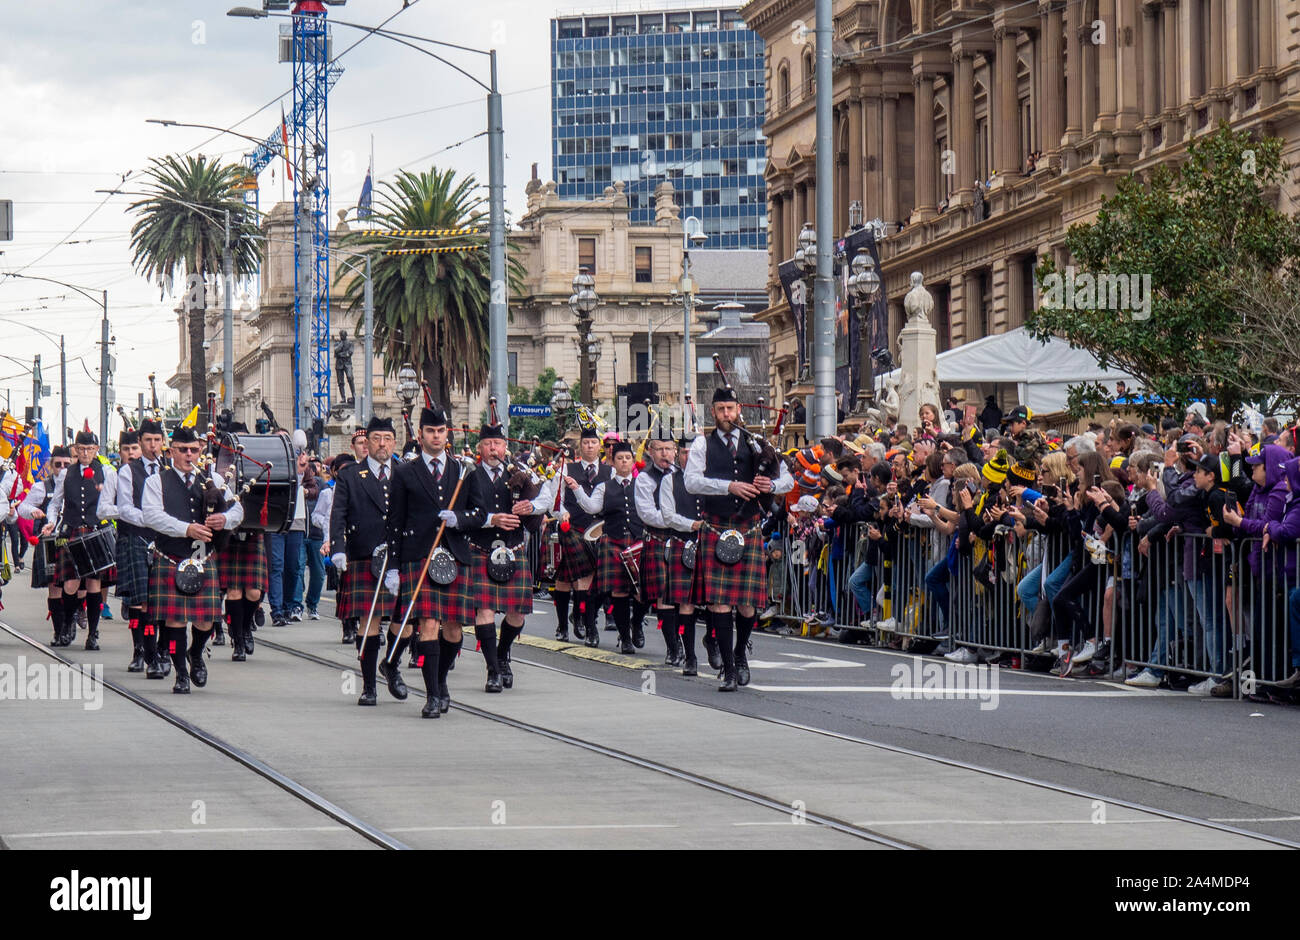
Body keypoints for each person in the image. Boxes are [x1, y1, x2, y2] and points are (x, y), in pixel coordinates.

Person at [684, 386, 794, 691]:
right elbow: (691, 482)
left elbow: (788, 478)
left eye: (730, 409)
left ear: (738, 410)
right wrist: (728, 487)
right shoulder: (701, 446)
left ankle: (739, 654)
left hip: (748, 528)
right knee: (719, 602)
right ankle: (730, 671)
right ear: (713, 412)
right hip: (716, 527)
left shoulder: (757, 444)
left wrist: (770, 485)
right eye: (720, 410)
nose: (726, 415)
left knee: (748, 605)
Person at [140, 425, 243, 694]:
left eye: (194, 450)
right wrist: (185, 528)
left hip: (202, 558)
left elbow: (238, 510)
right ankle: (181, 673)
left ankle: (195, 653)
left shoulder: (214, 482)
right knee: (174, 622)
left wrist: (225, 519)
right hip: (170, 556)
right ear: (171, 451)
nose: (189, 454)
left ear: (200, 451)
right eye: (183, 450)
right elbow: (151, 515)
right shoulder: (157, 482)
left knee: (206, 620)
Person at [387, 406, 471, 718]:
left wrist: (458, 519)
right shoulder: (405, 472)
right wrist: (393, 566)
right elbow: (394, 522)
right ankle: (433, 695)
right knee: (428, 625)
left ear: (447, 434)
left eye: (440, 431)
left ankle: (441, 678)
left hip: (452, 556)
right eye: (430, 431)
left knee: (453, 630)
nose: (436, 436)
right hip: (418, 556)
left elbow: (475, 513)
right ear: (420, 435)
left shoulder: (462, 470)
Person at [452, 424, 541, 691]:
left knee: (517, 614)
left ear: (506, 448)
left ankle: (502, 655)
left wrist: (531, 501)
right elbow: (459, 516)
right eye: (488, 444)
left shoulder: (520, 476)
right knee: (485, 611)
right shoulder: (469, 476)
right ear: (480, 448)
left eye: (498, 444)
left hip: (513, 552)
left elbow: (534, 524)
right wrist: (491, 520)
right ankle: (492, 670)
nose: (493, 449)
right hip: (481, 551)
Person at [331, 416, 403, 706]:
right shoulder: (350, 475)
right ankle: (369, 687)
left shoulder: (406, 472)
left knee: (407, 621)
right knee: (368, 620)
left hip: (400, 557)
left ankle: (392, 664)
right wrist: (338, 547)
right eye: (376, 439)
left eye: (386, 438)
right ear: (367, 442)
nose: (382, 444)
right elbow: (338, 514)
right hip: (364, 555)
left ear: (394, 442)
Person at [566, 440, 644, 654]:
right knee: (618, 592)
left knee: (643, 593)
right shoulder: (604, 486)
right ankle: (626, 639)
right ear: (613, 461)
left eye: (628, 457)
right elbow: (592, 507)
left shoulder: (643, 484)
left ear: (632, 460)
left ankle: (636, 624)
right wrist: (577, 490)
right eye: (620, 458)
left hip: (638, 542)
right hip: (614, 541)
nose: (624, 461)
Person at [44, 428, 117, 652]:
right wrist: (51, 522)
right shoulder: (66, 474)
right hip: (72, 531)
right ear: (75, 449)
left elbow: (116, 502)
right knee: (70, 584)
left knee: (94, 584)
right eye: (81, 449)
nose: (85, 453)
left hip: (95, 532)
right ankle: (67, 624)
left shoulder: (107, 472)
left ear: (96, 450)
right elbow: (56, 504)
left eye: (90, 449)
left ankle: (93, 634)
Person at [113, 421, 170, 674]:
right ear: (141, 440)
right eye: (148, 440)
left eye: (157, 440)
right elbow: (124, 508)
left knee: (167, 600)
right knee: (142, 602)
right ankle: (142, 651)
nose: (153, 445)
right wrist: (152, 519)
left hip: (167, 540)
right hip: (138, 537)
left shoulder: (169, 468)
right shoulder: (128, 471)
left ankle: (162, 649)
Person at [551, 427, 609, 645]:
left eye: (594, 443)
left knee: (567, 578)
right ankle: (581, 624)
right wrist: (560, 513)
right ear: (580, 446)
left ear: (599, 446)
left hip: (597, 530)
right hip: (572, 527)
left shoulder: (609, 471)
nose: (590, 446)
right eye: (586, 443)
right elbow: (555, 500)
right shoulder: (566, 469)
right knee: (584, 576)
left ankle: (574, 619)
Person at [19, 447, 74, 648]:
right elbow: (22, 507)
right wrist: (33, 510)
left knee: (74, 586)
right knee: (54, 586)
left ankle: (70, 621)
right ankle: (59, 631)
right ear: (51, 466)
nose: (61, 468)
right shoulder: (42, 487)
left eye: (66, 464)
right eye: (57, 464)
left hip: (72, 540)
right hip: (51, 541)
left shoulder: (77, 484)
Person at [660, 436, 704, 675]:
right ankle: (690, 657)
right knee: (686, 603)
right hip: (683, 542)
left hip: (710, 546)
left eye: (693, 452)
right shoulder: (670, 481)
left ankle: (714, 641)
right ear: (678, 454)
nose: (689, 457)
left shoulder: (711, 479)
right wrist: (693, 525)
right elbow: (668, 516)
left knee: (717, 602)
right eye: (685, 452)